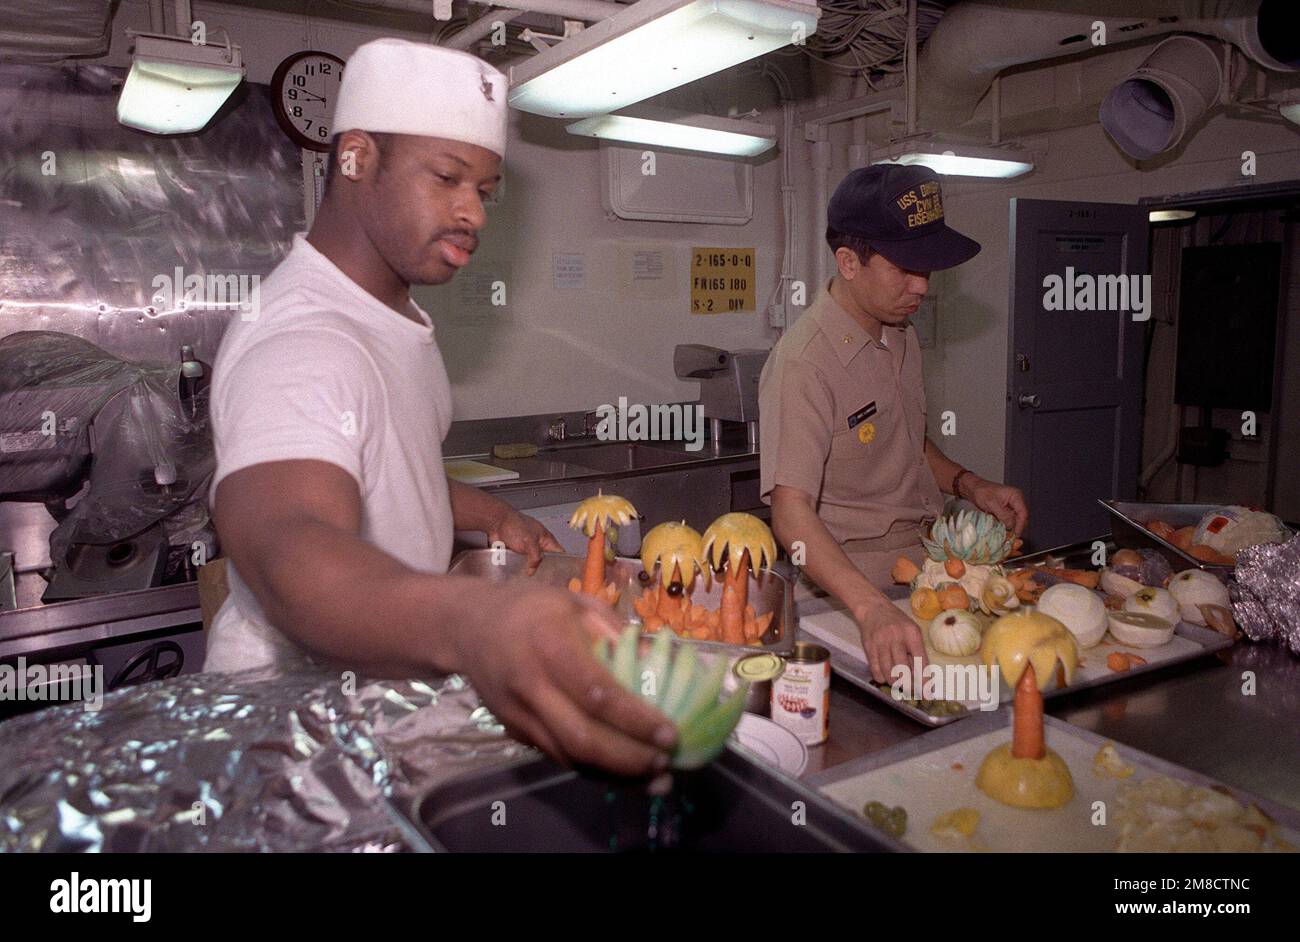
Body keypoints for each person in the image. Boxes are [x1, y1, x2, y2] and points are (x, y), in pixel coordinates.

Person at [206, 39, 675, 777]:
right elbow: (285, 543)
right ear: (356, 157)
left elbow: (380, 462)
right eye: (447, 178)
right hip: (300, 742)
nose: (472, 214)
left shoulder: (385, 316)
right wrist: (474, 622)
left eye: (483, 191)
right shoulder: (305, 339)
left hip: (383, 710)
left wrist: (487, 515)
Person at [759, 164, 1028, 683]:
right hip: (849, 592)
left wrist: (970, 485)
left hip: (924, 568)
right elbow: (790, 515)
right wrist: (869, 609)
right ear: (848, 262)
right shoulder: (804, 364)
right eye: (905, 268)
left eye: (927, 269)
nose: (921, 287)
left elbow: (904, 437)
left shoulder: (899, 332)